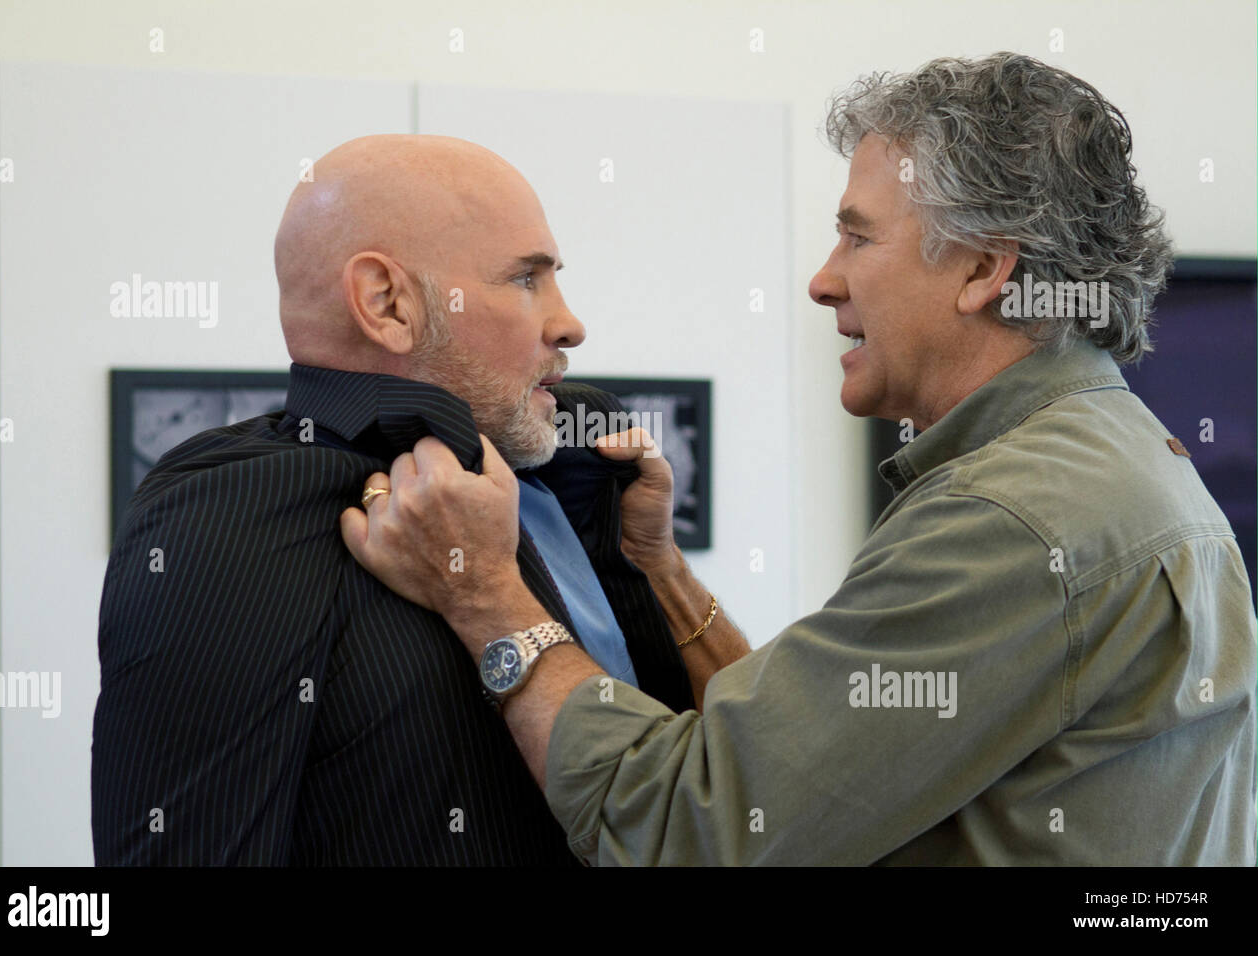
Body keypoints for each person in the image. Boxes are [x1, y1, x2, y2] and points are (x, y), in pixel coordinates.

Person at [341, 53, 1258, 865]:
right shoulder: (1116, 463)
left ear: (983, 269)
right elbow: (801, 768)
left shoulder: (1014, 518)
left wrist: (487, 597)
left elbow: (690, 830)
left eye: (857, 235)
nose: (823, 279)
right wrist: (661, 573)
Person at [91, 135, 694, 865]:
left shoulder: (580, 467)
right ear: (387, 303)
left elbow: (680, 785)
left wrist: (659, 569)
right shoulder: (234, 507)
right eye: (526, 279)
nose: (570, 322)